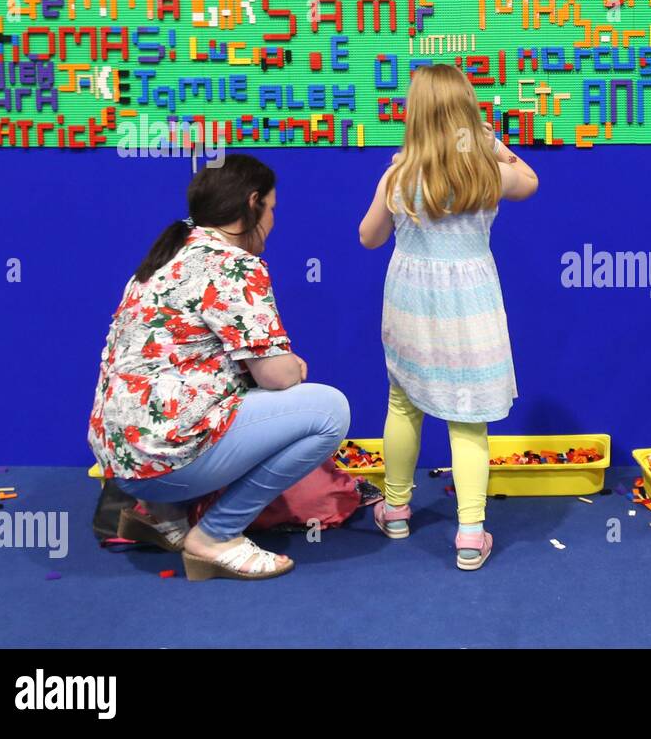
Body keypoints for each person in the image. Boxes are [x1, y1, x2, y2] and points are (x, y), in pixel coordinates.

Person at [89, 155, 350, 581]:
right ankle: (216, 535)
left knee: (218, 396)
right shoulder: (233, 264)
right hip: (162, 463)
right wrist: (294, 367)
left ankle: (160, 513)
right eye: (272, 209)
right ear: (252, 203)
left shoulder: (166, 256)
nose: (273, 221)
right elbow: (276, 376)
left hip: (119, 462)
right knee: (329, 411)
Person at [359, 63, 539, 571]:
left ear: (414, 116)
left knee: (402, 403)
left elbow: (368, 238)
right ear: (467, 112)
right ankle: (469, 533)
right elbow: (530, 180)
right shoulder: (487, 172)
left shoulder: (398, 175)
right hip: (471, 306)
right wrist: (493, 142)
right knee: (468, 420)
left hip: (410, 304)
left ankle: (395, 509)